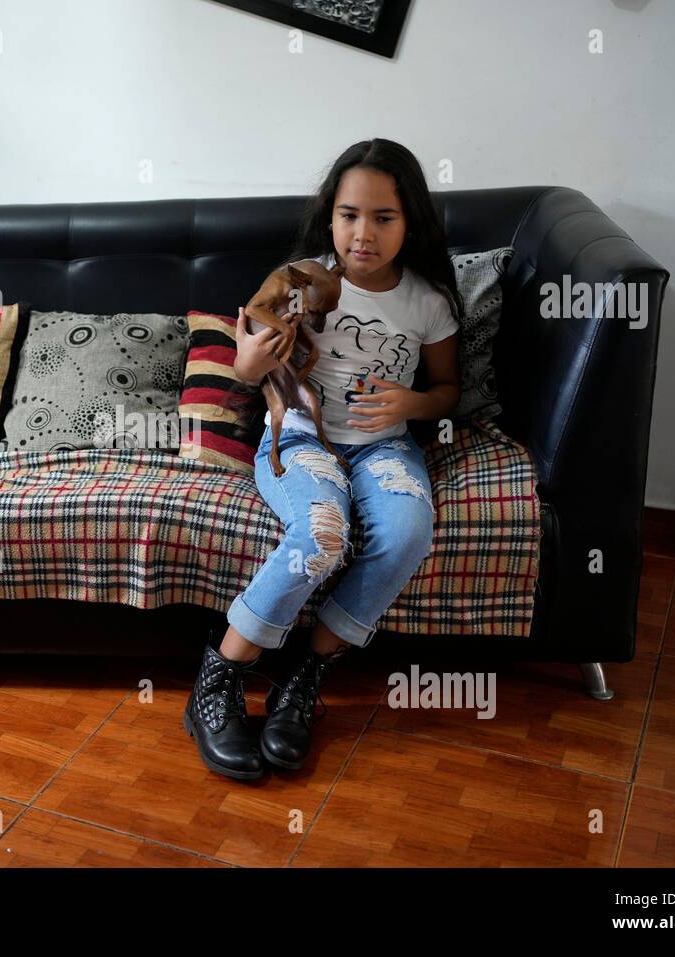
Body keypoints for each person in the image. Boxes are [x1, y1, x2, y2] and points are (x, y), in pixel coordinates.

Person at [183, 138, 464, 780]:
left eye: (383, 218)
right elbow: (247, 364)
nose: (362, 234)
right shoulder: (300, 281)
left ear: (409, 221)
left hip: (384, 447)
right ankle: (218, 678)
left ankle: (303, 678)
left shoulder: (428, 301)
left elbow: (448, 393)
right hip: (300, 437)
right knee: (322, 532)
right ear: (331, 216)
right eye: (348, 215)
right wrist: (251, 360)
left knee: (408, 529)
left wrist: (410, 404)